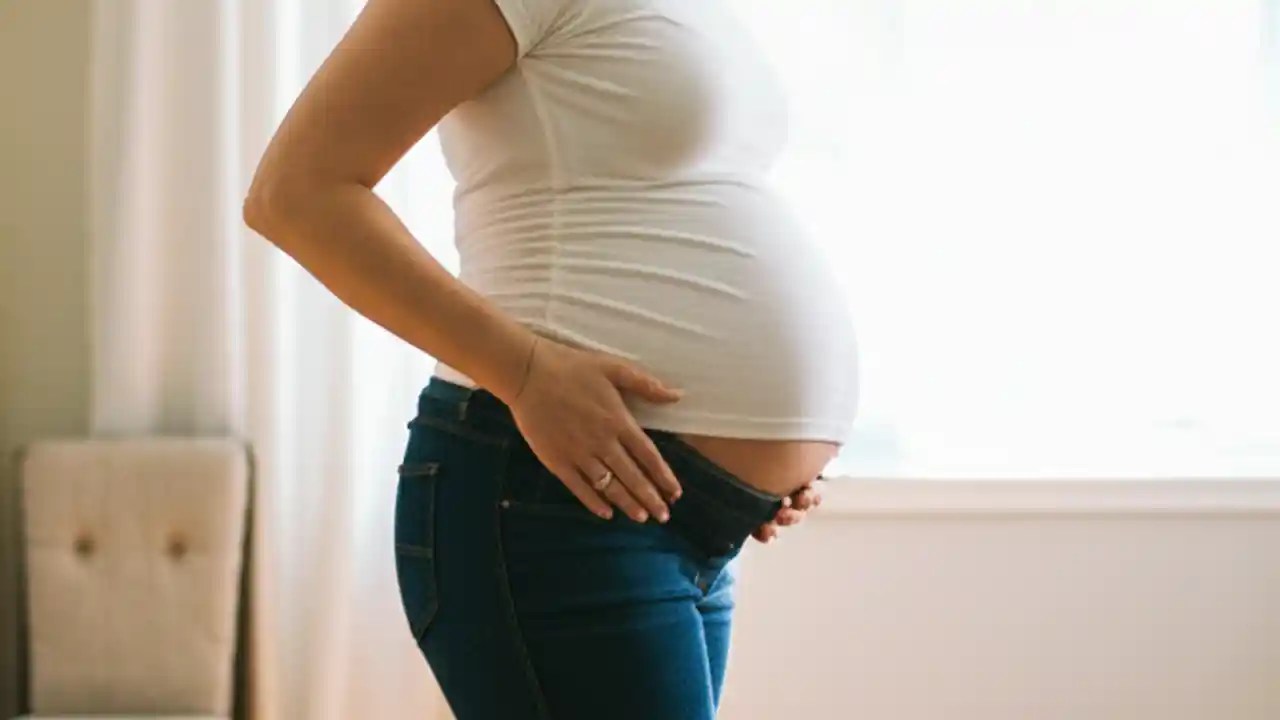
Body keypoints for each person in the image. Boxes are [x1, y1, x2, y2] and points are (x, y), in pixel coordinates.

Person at [243, 0, 859, 717]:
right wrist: (525, 371)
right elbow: (293, 194)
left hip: (669, 505)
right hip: (552, 492)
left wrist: (753, 466)